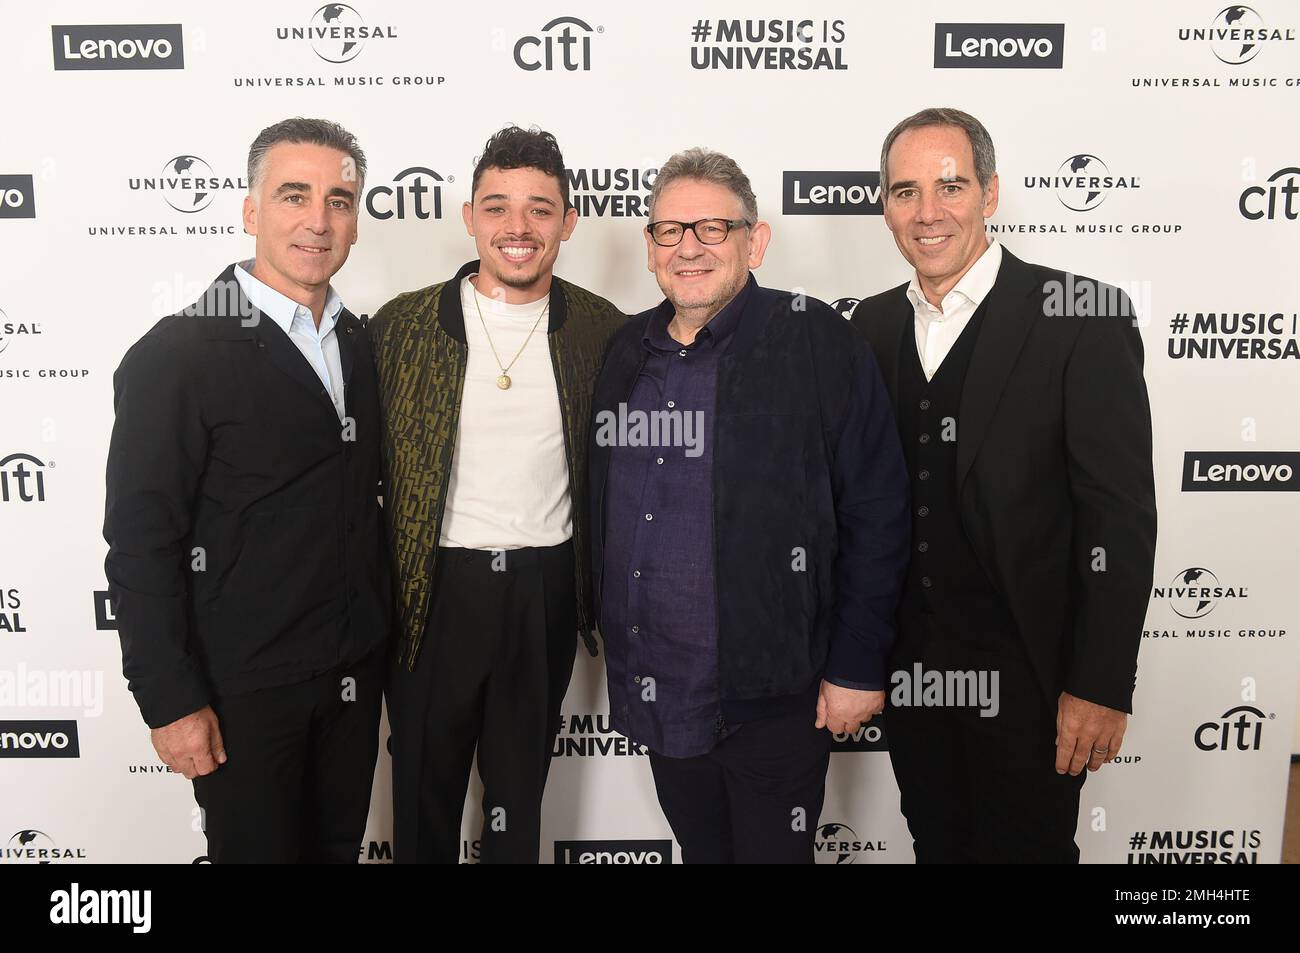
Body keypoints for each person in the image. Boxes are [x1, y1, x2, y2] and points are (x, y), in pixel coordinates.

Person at [849, 107, 1157, 862]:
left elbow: (1118, 520)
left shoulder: (1080, 317)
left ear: (990, 193)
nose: (928, 212)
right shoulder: (870, 326)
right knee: (939, 847)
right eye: (905, 190)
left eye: (950, 186)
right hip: (912, 673)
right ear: (885, 205)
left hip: (1033, 677)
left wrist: (1102, 682)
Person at [590, 147, 910, 863]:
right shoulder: (622, 351)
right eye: (670, 230)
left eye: (713, 228)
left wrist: (858, 662)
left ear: (754, 241)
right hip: (658, 687)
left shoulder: (816, 339)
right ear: (648, 247)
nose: (690, 247)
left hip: (774, 697)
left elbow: (878, 507)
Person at [104, 117, 390, 863]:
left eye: (338, 199)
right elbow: (140, 545)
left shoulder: (357, 341)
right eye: (294, 195)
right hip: (243, 694)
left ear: (355, 220)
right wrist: (169, 699)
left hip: (351, 681)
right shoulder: (178, 353)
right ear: (252, 211)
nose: (317, 220)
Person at [370, 125, 625, 864]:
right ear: (469, 216)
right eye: (498, 207)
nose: (519, 228)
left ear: (569, 222)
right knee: (423, 793)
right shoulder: (402, 327)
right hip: (431, 592)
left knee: (518, 796)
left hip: (543, 588)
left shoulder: (600, 330)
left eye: (540, 209)